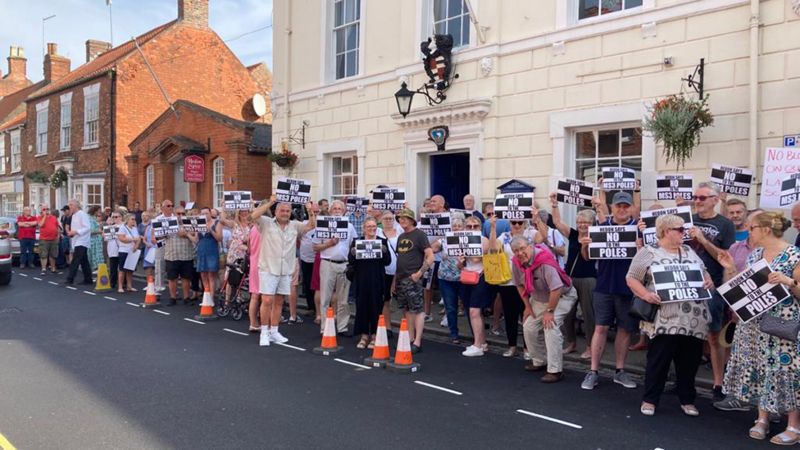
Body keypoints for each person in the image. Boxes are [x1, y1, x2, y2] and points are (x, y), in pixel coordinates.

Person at [717, 212, 800, 444]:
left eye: (751, 227)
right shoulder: (755, 255)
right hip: (754, 325)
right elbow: (746, 286)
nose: (748, 231)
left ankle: (794, 425)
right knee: (761, 369)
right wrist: (731, 268)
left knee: (787, 372)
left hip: (782, 325)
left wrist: (788, 281)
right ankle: (762, 417)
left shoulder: (795, 255)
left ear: (765, 229)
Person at [626, 214, 714, 416]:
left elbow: (704, 271)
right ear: (666, 231)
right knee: (659, 360)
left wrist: (708, 280)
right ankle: (650, 399)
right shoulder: (648, 252)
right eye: (680, 229)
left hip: (694, 320)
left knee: (689, 362)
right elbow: (632, 278)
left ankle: (687, 399)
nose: (685, 233)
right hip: (666, 319)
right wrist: (646, 295)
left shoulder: (689, 250)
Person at [679, 181, 736, 401]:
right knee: (686, 334)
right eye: (696, 197)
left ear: (715, 199)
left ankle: (718, 383)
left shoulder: (724, 224)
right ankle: (684, 381)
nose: (697, 201)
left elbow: (726, 257)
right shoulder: (686, 220)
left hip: (712, 285)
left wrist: (703, 239)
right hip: (685, 283)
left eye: (702, 198)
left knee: (713, 336)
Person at [581, 191, 640, 391]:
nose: (622, 210)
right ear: (612, 207)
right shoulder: (600, 227)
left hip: (628, 287)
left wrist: (640, 247)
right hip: (604, 285)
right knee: (600, 328)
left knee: (625, 329)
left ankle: (620, 371)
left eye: (626, 206)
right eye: (618, 206)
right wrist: (585, 245)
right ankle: (593, 371)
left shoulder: (637, 229)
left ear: (631, 208)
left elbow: (646, 259)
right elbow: (587, 257)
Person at [712, 209, 761, 413]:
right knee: (741, 355)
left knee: (762, 356)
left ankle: (765, 405)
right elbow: (729, 276)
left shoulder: (774, 252)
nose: (749, 229)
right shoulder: (735, 247)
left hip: (763, 313)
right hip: (738, 309)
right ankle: (739, 396)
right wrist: (734, 305)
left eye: (753, 226)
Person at [511, 236, 578, 383]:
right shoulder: (516, 262)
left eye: (522, 248)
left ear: (530, 246)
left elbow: (557, 288)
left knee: (550, 326)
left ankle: (556, 370)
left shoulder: (544, 261)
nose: (520, 253)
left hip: (561, 296)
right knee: (528, 326)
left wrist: (550, 311)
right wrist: (527, 307)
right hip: (539, 298)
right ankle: (539, 360)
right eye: (516, 250)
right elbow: (519, 285)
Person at [251, 197, 315, 346]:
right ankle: (264, 332)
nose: (285, 213)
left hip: (285, 269)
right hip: (268, 268)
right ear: (276, 211)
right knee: (267, 300)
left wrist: (309, 209)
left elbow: (312, 226)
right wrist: (270, 202)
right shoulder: (266, 223)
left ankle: (274, 331)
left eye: (287, 211)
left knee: (279, 301)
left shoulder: (294, 225)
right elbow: (252, 216)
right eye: (282, 210)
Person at [549, 193, 597, 360]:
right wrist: (555, 205)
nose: (582, 225)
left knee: (588, 313)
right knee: (567, 312)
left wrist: (585, 246)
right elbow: (557, 223)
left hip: (588, 279)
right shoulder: (574, 234)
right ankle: (571, 342)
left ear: (593, 224)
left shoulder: (596, 238)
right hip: (569, 278)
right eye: (580, 222)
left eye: (586, 222)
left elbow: (587, 258)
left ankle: (591, 346)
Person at [492, 213, 541, 357]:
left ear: (524, 222)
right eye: (514, 222)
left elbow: (542, 238)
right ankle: (512, 346)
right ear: (510, 223)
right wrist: (493, 227)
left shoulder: (530, 232)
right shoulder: (505, 236)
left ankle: (528, 348)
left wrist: (536, 218)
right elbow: (493, 248)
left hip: (527, 280)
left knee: (526, 314)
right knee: (510, 315)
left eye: (520, 222)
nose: (517, 225)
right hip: (508, 281)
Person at [313, 200, 358, 335]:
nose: (337, 210)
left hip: (344, 265)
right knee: (325, 298)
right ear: (330, 210)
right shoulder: (322, 225)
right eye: (335, 208)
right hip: (327, 263)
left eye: (340, 208)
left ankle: (342, 327)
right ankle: (325, 328)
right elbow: (315, 247)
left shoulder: (349, 227)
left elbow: (353, 245)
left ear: (344, 211)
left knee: (343, 300)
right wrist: (329, 243)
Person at [393, 208, 434, 353]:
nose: (401, 220)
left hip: (413, 278)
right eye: (400, 218)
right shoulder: (401, 236)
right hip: (401, 278)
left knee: (417, 310)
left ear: (411, 220)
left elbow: (430, 256)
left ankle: (417, 341)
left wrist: (419, 273)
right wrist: (394, 281)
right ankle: (410, 338)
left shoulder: (420, 235)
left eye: (404, 218)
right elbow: (400, 259)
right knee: (407, 310)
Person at [349, 217, 391, 348]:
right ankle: (364, 336)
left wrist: (384, 252)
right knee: (361, 308)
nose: (372, 229)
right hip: (361, 280)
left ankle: (374, 335)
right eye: (369, 226)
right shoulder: (357, 241)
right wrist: (353, 253)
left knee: (376, 308)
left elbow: (387, 262)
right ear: (363, 228)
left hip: (377, 280)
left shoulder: (382, 241)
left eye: (374, 226)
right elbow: (351, 261)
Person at [430, 214, 465, 344]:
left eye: (459, 226)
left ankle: (476, 336)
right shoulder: (444, 239)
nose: (456, 228)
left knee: (469, 307)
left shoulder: (468, 239)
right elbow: (432, 248)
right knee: (450, 307)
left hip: (463, 278)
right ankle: (454, 334)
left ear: (464, 228)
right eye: (454, 226)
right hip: (446, 278)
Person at [158, 201, 198, 306]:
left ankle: (186, 297)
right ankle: (173, 298)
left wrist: (186, 233)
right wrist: (164, 233)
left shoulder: (189, 224)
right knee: (172, 278)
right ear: (174, 214)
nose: (181, 216)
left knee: (186, 278)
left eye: (183, 213)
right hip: (172, 255)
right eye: (178, 214)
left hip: (186, 254)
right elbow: (158, 236)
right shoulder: (168, 223)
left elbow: (195, 234)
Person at [377, 211, 400, 337]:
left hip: (398, 271)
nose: (388, 221)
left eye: (391, 218)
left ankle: (406, 329)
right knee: (385, 300)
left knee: (401, 301)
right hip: (382, 271)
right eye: (386, 218)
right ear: (381, 219)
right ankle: (387, 327)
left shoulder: (399, 233)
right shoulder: (377, 233)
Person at [196, 207, 223, 301]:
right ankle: (206, 295)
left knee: (211, 274)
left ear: (210, 213)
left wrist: (211, 230)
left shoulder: (216, 222)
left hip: (212, 250)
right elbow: (196, 240)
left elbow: (219, 238)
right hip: (201, 250)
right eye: (202, 213)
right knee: (203, 274)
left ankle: (211, 297)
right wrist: (188, 234)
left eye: (206, 213)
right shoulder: (199, 224)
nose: (204, 215)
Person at [64, 199, 93, 285]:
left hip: (82, 241)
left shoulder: (82, 214)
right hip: (76, 240)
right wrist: (71, 233)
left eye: (71, 205)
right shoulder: (74, 215)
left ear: (76, 205)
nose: (70, 207)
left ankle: (70, 279)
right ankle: (88, 279)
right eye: (69, 205)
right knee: (84, 261)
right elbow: (75, 228)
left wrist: (75, 232)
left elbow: (87, 227)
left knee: (75, 260)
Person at [299, 203, 320, 318]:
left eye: (317, 212)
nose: (315, 214)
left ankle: (318, 308)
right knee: (307, 283)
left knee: (317, 284)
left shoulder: (322, 224)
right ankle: (310, 306)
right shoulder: (303, 224)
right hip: (305, 258)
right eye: (313, 212)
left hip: (317, 258)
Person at [116, 214, 141, 293]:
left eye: (134, 219)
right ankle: (120, 287)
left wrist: (136, 246)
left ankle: (129, 286)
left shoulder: (134, 228)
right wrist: (133, 239)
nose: (134, 221)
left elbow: (139, 238)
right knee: (122, 269)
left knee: (130, 270)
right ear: (127, 220)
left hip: (132, 251)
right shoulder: (122, 228)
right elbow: (121, 239)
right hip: (124, 250)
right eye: (132, 219)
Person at [37, 206, 59, 275]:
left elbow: (57, 227)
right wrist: (44, 216)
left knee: (53, 254)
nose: (46, 210)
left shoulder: (54, 217)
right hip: (44, 239)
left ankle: (53, 268)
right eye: (44, 209)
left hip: (53, 239)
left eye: (47, 209)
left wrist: (58, 236)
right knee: (43, 254)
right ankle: (43, 269)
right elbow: (41, 225)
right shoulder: (39, 217)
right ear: (41, 211)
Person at [106, 212, 123, 289]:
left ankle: (123, 283)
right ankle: (112, 282)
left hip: (122, 248)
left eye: (117, 217)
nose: (115, 218)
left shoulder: (124, 226)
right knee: (113, 267)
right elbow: (104, 235)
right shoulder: (110, 227)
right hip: (112, 249)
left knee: (122, 267)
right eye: (113, 217)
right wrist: (108, 225)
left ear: (121, 217)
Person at [88, 206, 104, 272]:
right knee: (93, 255)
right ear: (95, 211)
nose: (100, 212)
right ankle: (94, 269)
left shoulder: (93, 218)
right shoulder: (90, 219)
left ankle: (96, 270)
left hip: (97, 241)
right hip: (94, 241)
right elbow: (91, 231)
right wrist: (101, 231)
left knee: (97, 256)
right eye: (99, 210)